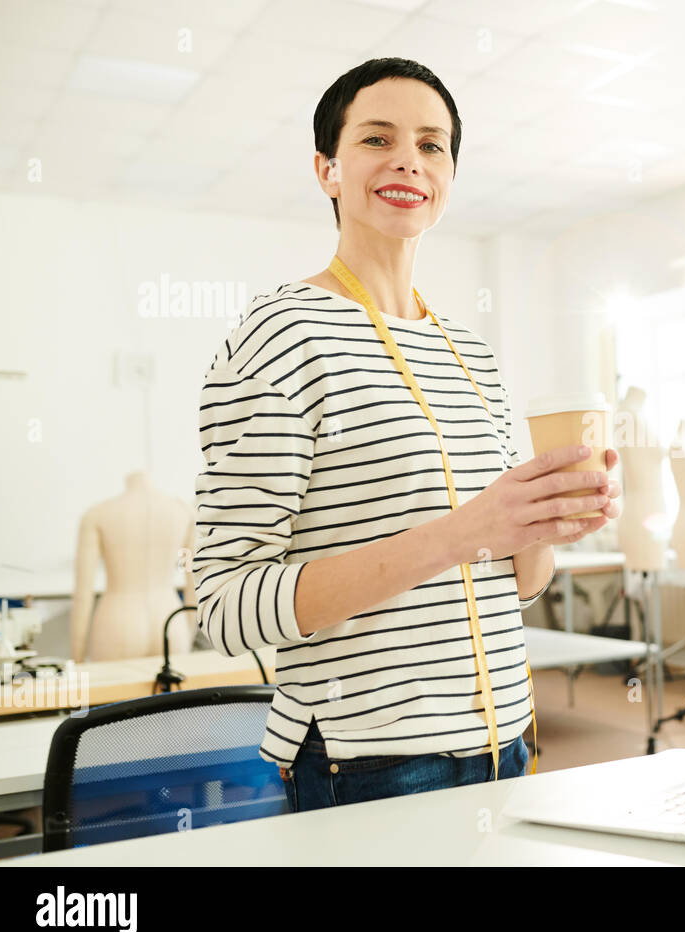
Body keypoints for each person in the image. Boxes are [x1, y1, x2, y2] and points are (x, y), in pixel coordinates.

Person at [191, 57, 621, 812]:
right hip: (368, 762)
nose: (407, 161)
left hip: (506, 743)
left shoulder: (470, 354)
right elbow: (224, 607)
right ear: (327, 169)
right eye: (376, 139)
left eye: (432, 144)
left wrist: (544, 525)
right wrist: (458, 533)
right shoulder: (282, 335)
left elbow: (514, 586)